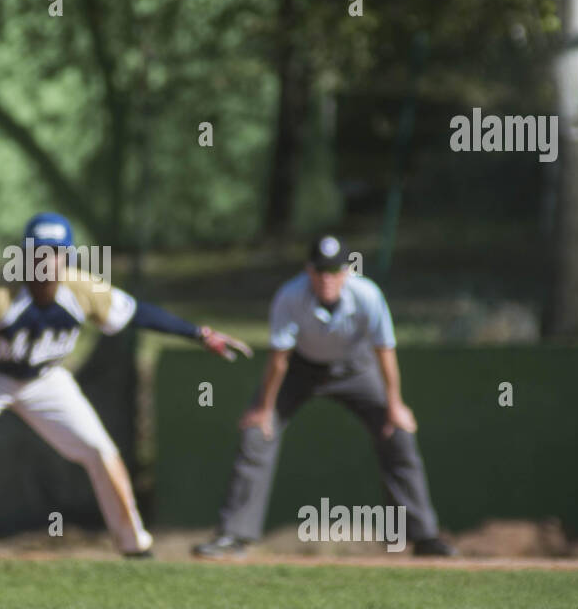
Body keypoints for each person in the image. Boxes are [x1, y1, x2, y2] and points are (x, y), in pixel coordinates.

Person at [0, 212, 252, 558]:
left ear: (67, 256)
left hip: (45, 379)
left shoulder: (81, 290)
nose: (46, 261)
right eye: (38, 252)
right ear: (24, 254)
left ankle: (134, 546)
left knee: (100, 450)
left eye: (56, 253)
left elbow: (137, 313)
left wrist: (199, 334)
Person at [193, 235, 457, 558]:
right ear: (308, 271)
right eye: (319, 271)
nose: (326, 279)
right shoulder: (289, 296)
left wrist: (395, 404)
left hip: (355, 366)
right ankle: (233, 535)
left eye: (333, 271)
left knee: (398, 432)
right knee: (255, 434)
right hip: (299, 369)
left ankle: (423, 536)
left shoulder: (368, 295)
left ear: (346, 271)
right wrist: (264, 409)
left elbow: (384, 351)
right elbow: (279, 358)